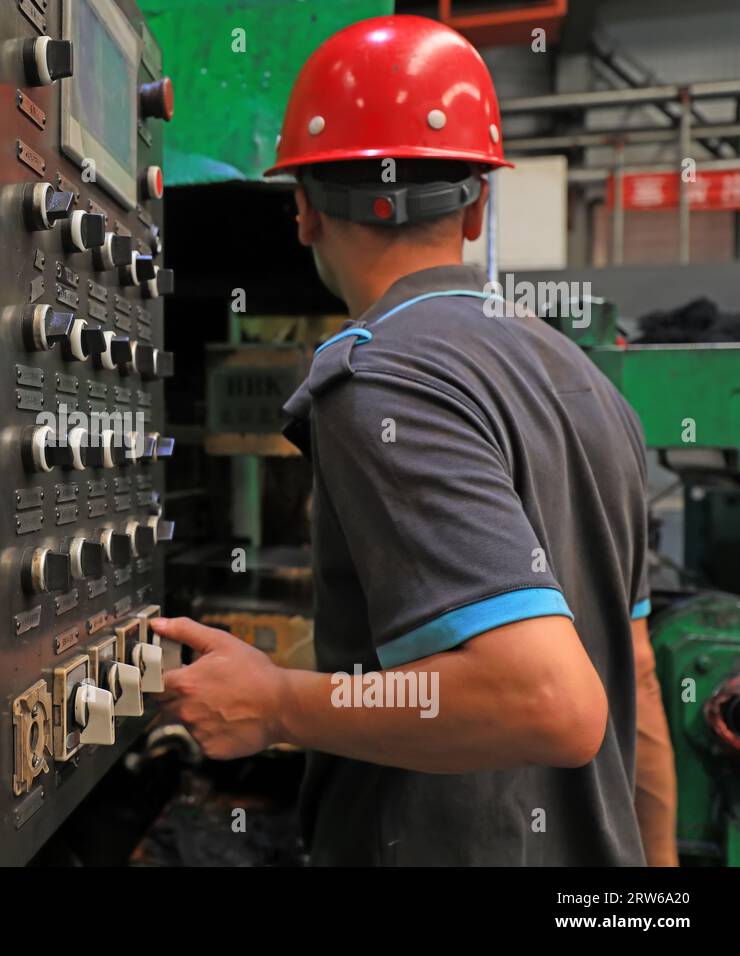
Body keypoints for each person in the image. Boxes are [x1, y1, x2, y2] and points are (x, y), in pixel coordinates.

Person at [152, 14, 677, 865]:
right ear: (477, 207)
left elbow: (551, 702)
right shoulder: (585, 383)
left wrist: (279, 703)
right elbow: (639, 682)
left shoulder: (380, 378)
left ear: (304, 211)